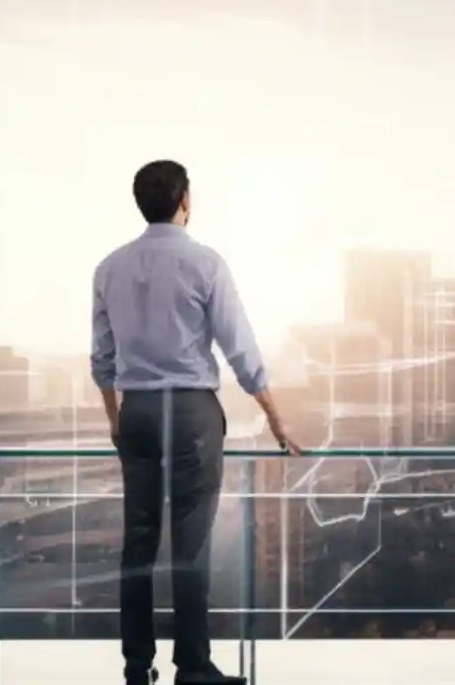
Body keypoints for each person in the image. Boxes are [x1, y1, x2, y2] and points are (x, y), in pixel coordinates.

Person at [91, 160, 303, 685]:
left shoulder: (109, 268)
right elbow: (241, 351)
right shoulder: (206, 265)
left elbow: (102, 359)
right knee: (192, 544)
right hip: (191, 415)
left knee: (138, 542)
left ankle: (137, 667)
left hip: (137, 412)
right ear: (185, 200)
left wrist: (116, 421)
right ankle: (193, 667)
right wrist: (276, 420)